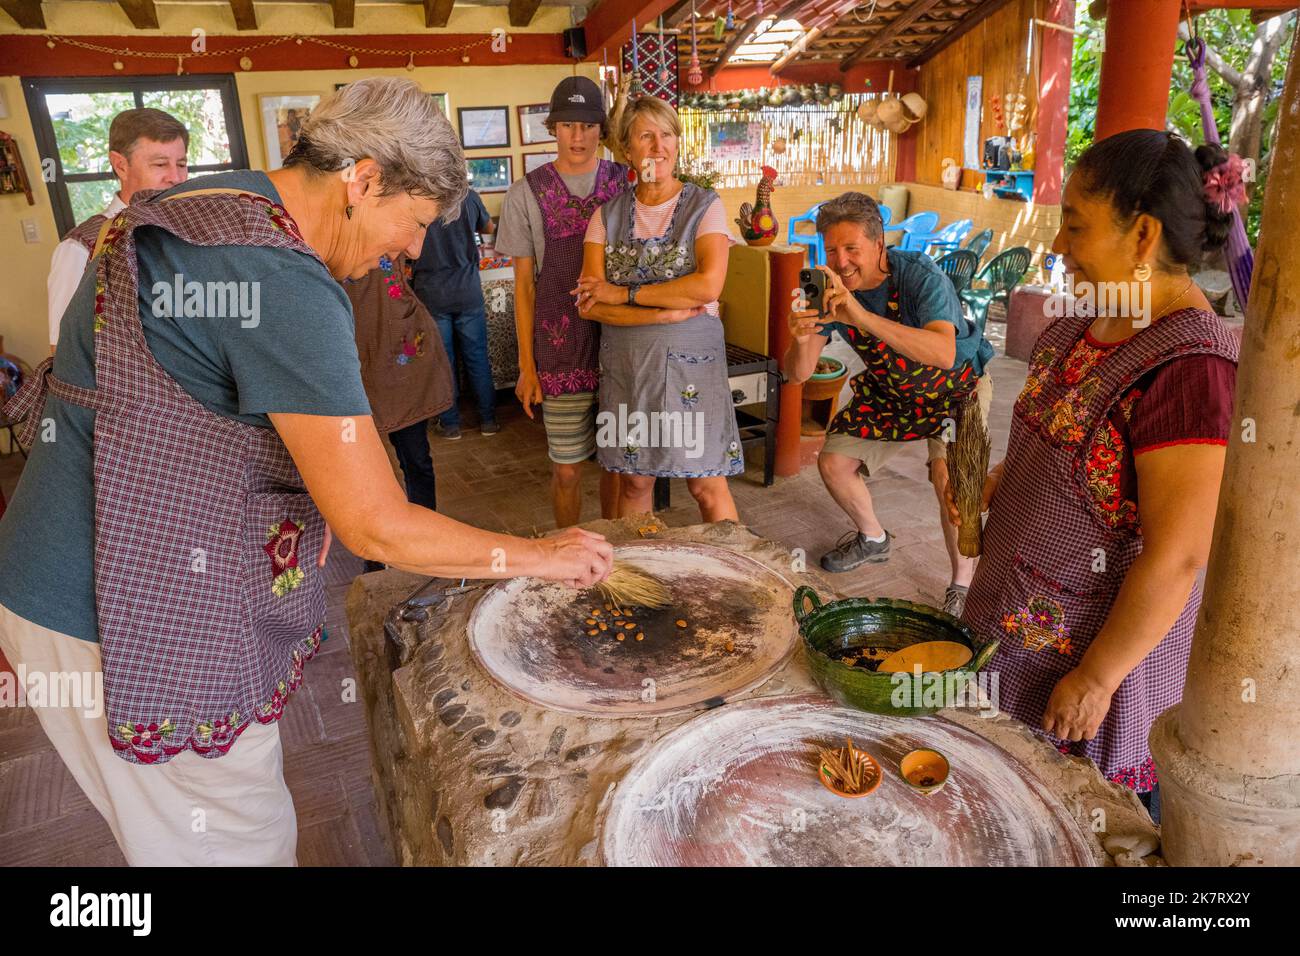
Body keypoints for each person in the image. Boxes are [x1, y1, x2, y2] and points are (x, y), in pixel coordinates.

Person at [0, 78, 611, 866]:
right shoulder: (276, 275)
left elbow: (184, 401)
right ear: (360, 179)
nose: (416, 249)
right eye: (416, 222)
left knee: (192, 830)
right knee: (232, 844)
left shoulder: (216, 204)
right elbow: (375, 522)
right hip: (120, 612)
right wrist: (540, 555)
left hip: (64, 573)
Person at [950, 130, 1239, 811]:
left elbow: (1178, 554)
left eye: (1074, 226)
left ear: (1142, 236)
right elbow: (1053, 458)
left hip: (1081, 663)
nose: (1057, 246)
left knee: (1074, 825)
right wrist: (989, 490)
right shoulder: (1079, 326)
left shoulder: (1191, 368)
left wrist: (1098, 677)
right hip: (1011, 621)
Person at [783, 192, 994, 614]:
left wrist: (859, 316)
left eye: (852, 249)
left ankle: (962, 583)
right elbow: (799, 373)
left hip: (955, 390)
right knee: (834, 461)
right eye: (832, 250)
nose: (841, 262)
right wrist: (801, 335)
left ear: (879, 245)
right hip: (892, 391)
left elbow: (943, 352)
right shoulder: (828, 289)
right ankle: (874, 539)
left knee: (948, 479)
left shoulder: (918, 274)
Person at [575, 94, 740, 522]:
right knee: (634, 480)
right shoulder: (605, 217)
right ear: (626, 150)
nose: (658, 145)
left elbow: (707, 285)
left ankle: (735, 579)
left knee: (706, 482)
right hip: (629, 368)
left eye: (667, 134)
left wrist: (626, 294)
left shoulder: (706, 206)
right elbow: (591, 304)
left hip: (692, 368)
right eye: (645, 135)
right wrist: (663, 313)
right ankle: (642, 584)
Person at [495, 77, 628, 527]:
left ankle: (615, 551)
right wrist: (527, 368)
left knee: (616, 464)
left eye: (588, 125)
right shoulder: (525, 192)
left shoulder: (625, 183)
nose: (578, 136)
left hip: (620, 343)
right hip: (558, 349)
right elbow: (525, 288)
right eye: (568, 124)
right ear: (553, 129)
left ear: (601, 130)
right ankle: (570, 555)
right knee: (568, 469)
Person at [47, 108, 189, 353]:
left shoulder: (186, 231)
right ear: (121, 165)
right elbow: (63, 352)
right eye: (160, 164)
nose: (175, 177)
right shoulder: (80, 249)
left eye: (182, 164)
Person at [342, 252, 454, 512]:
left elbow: (414, 248)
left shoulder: (391, 230)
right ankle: (378, 542)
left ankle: (424, 533)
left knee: (416, 459)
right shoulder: (328, 240)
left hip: (399, 360)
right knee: (362, 465)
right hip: (351, 360)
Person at [410, 188, 498, 439]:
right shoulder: (467, 196)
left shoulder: (416, 198)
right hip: (467, 290)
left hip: (432, 292)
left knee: (443, 361)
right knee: (478, 358)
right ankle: (488, 420)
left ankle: (450, 424)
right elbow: (488, 228)